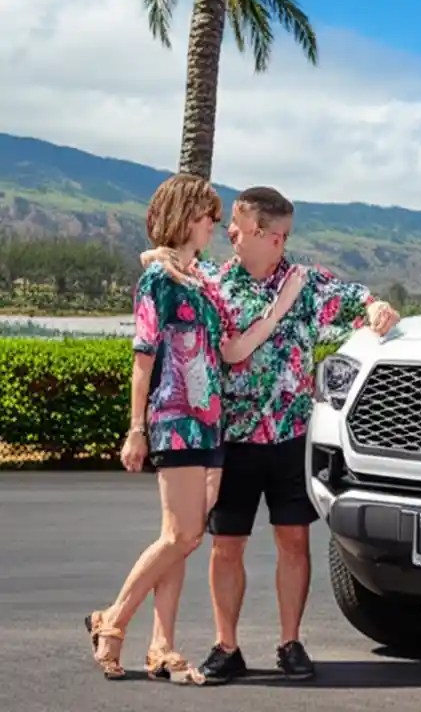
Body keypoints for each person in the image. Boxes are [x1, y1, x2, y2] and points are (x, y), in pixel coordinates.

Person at [144, 186, 400, 684]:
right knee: (226, 546)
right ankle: (227, 646)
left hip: (289, 438)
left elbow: (363, 303)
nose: (230, 234)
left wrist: (380, 308)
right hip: (232, 439)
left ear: (268, 235)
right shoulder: (215, 284)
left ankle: (290, 643)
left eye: (238, 227)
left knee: (293, 541)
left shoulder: (308, 285)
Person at [85, 174, 304, 683]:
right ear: (187, 218)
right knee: (181, 534)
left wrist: (283, 303)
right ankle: (112, 622)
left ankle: (161, 646)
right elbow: (143, 359)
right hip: (176, 423)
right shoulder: (158, 282)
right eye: (209, 217)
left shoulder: (200, 280)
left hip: (211, 427)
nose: (216, 227)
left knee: (182, 540)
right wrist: (135, 428)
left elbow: (232, 347)